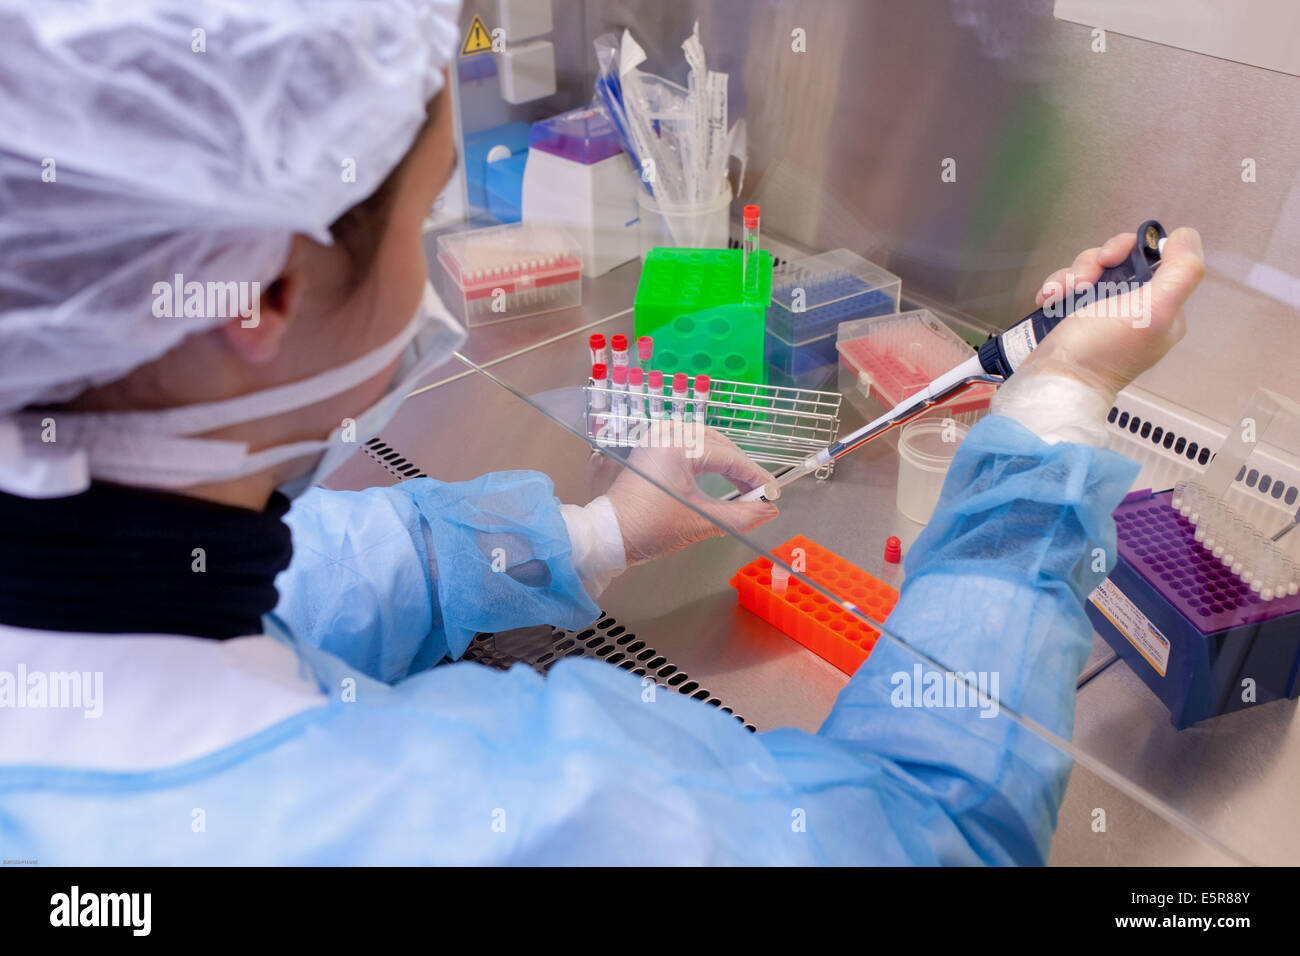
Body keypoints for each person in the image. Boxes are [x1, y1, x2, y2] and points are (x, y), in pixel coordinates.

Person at [0, 0, 1204, 865]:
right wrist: (1051, 405)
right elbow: (926, 829)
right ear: (255, 291)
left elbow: (316, 572)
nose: (436, 280)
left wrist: (595, 529)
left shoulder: (95, 578)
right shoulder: (481, 820)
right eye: (425, 212)